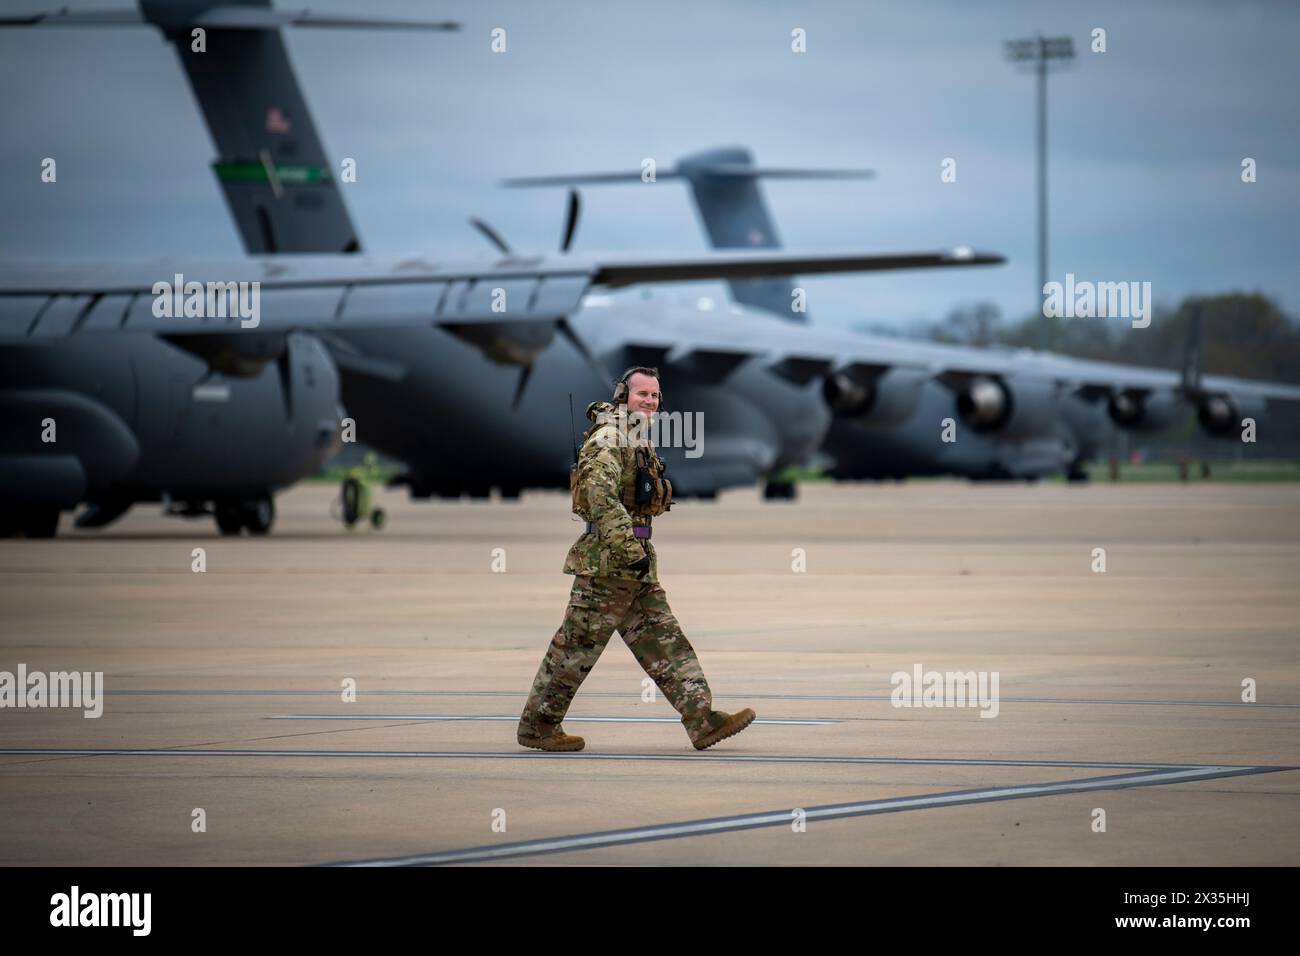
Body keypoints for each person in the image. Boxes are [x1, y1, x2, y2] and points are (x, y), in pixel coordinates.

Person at [517, 366, 755, 752]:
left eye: (655, 396)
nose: (649, 401)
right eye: (642, 394)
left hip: (634, 564)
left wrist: (638, 549)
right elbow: (598, 496)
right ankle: (538, 725)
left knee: (666, 641)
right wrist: (630, 550)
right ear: (622, 396)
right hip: (608, 565)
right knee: (576, 648)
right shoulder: (610, 437)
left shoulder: (635, 438)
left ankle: (702, 719)